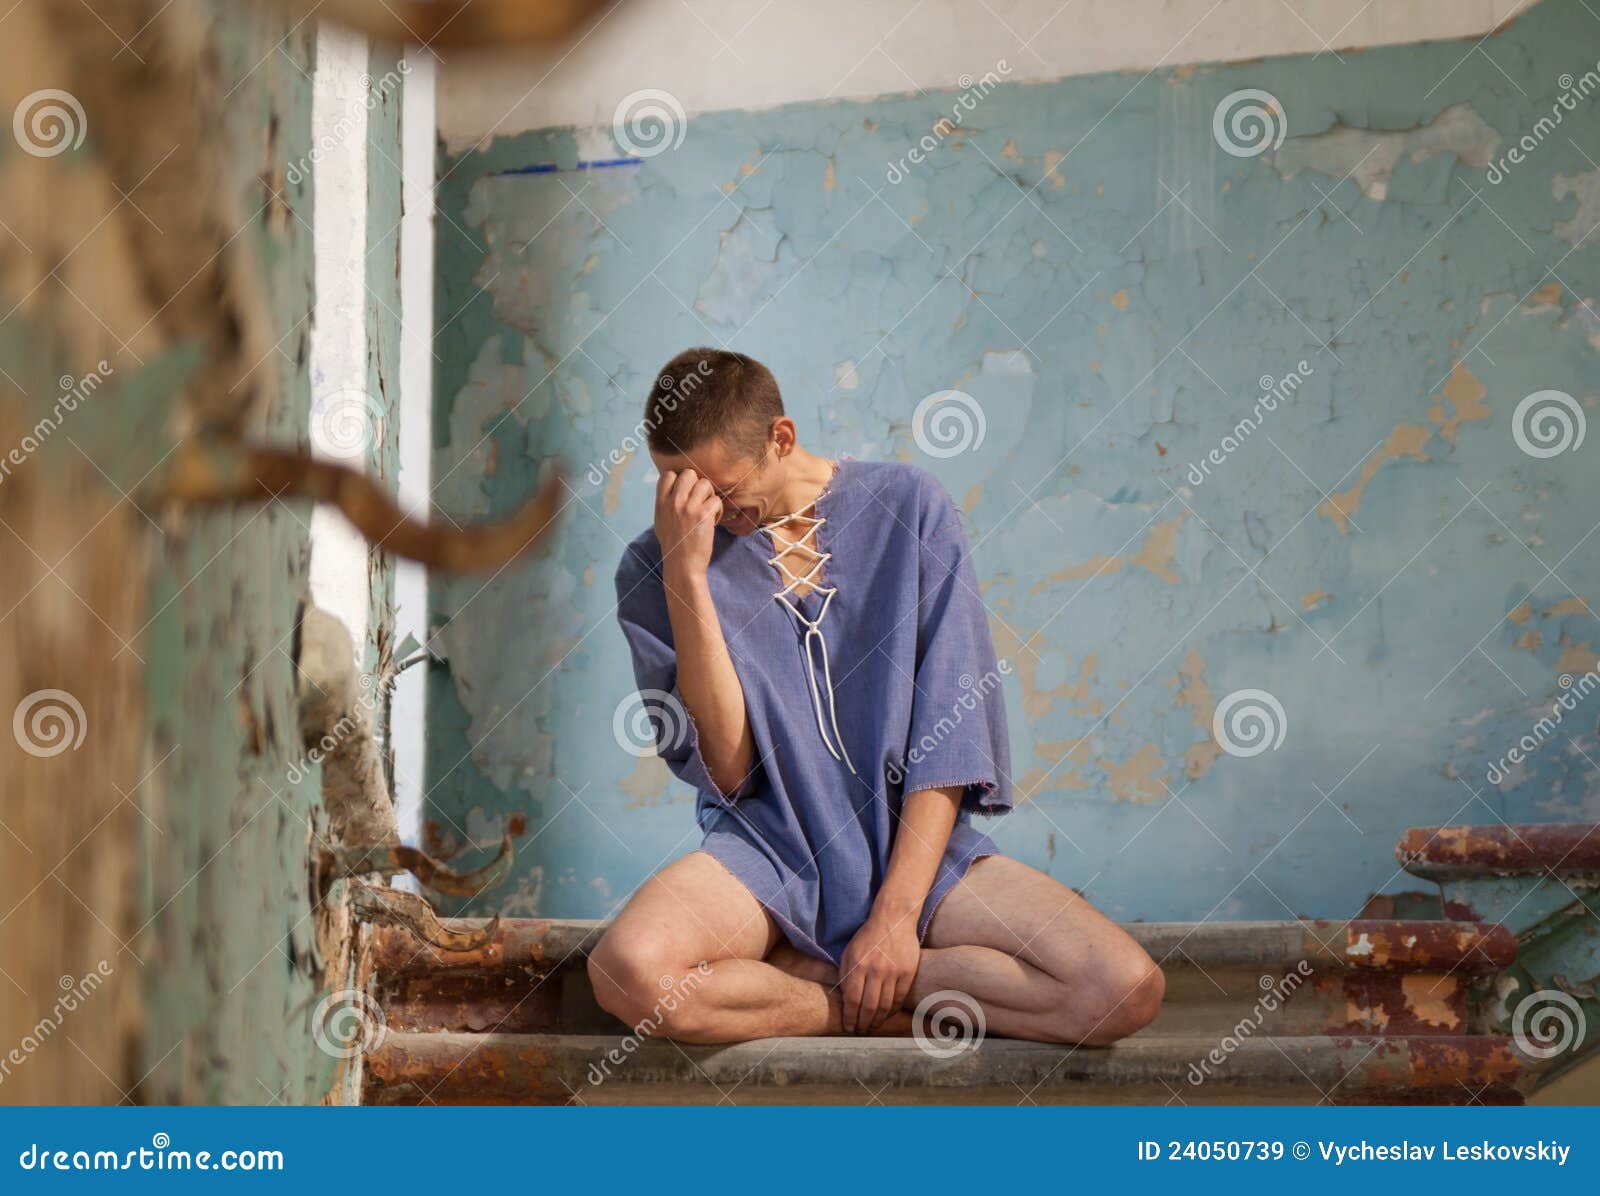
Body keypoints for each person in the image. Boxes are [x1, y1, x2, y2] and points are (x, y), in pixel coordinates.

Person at [591, 347, 1164, 1043]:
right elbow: (732, 768)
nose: (704, 509)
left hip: (916, 851)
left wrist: (894, 922)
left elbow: (951, 739)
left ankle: (835, 976)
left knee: (1122, 989)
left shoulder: (911, 507)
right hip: (768, 855)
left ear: (782, 438)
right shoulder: (656, 566)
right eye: (677, 488)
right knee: (629, 972)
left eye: (721, 488)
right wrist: (685, 573)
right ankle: (846, 1004)